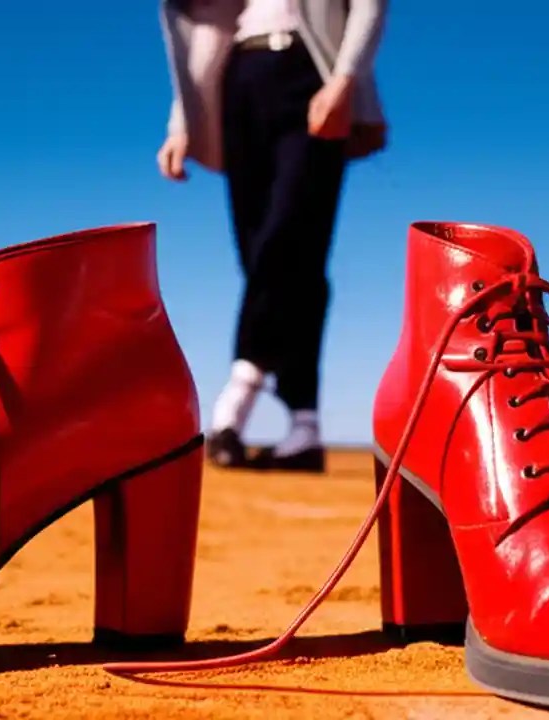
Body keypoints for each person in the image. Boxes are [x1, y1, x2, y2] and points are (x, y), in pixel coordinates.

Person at [157, 0, 389, 472]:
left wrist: (344, 81)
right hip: (239, 82)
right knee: (261, 250)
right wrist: (182, 122)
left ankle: (236, 400)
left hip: (310, 73)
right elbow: (202, 37)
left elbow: (369, 7)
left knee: (289, 237)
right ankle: (305, 426)